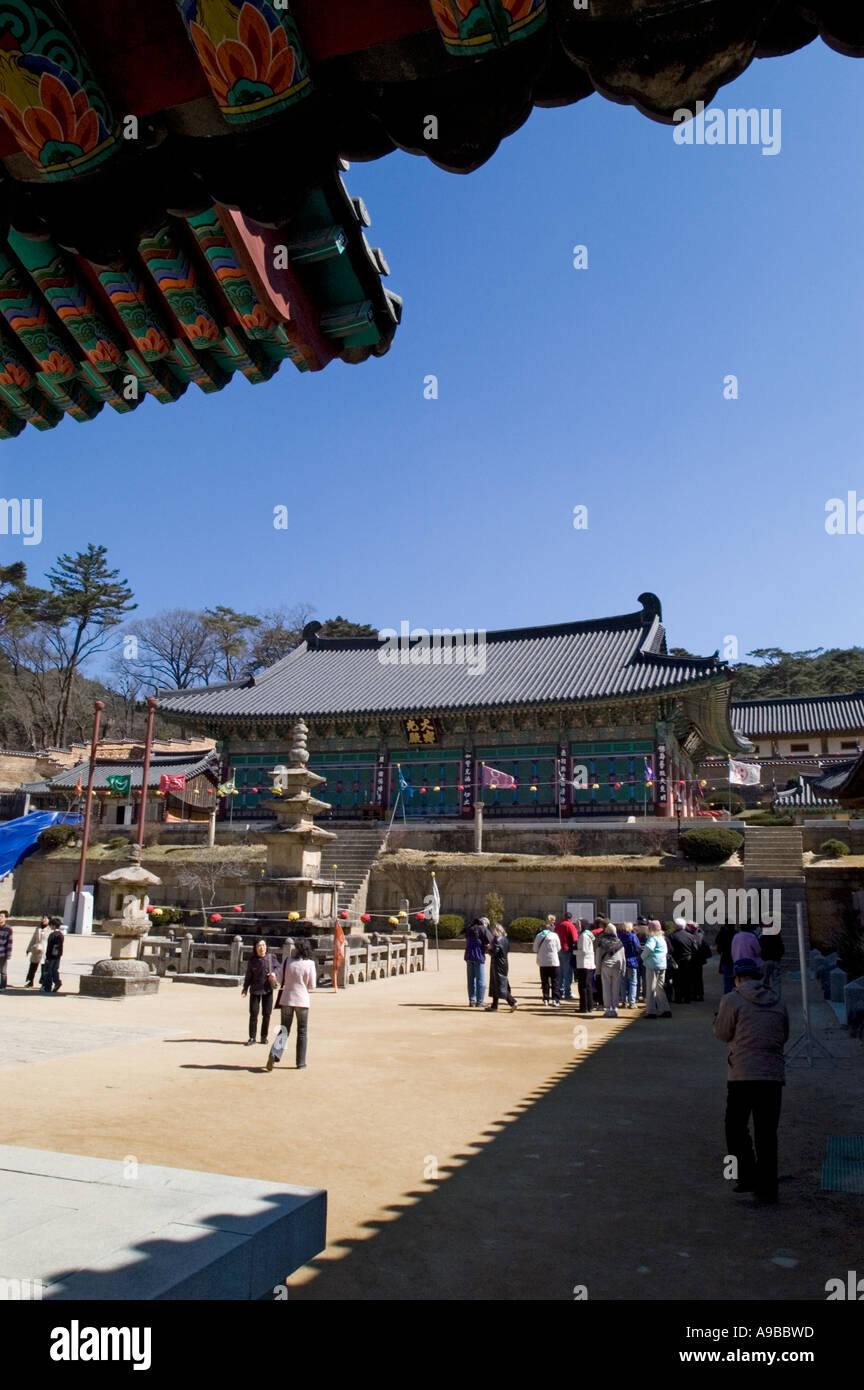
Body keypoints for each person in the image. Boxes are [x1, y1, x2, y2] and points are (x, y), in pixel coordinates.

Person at [713, 956, 789, 1204]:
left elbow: (722, 1033)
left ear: (738, 978)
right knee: (767, 1132)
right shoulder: (778, 1001)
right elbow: (784, 1034)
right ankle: (768, 1189)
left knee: (734, 1128)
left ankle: (744, 1175)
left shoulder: (732, 999)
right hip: (772, 1073)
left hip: (743, 1073)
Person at [267, 940, 317, 1071]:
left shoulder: (287, 961)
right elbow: (312, 985)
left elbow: (278, 977)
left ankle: (275, 1053)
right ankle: (300, 1063)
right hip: (302, 1001)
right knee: (302, 1032)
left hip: (287, 1000)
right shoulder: (310, 964)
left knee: (284, 1029)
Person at [241, 939, 279, 1045]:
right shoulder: (252, 960)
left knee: (267, 1014)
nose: (261, 948)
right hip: (255, 990)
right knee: (253, 1014)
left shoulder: (272, 958)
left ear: (266, 947)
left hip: (268, 989)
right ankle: (252, 1037)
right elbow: (248, 976)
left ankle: (263, 1036)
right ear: (255, 948)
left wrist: (274, 974)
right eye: (259, 946)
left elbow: (278, 968)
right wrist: (245, 989)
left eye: (263, 945)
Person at [596, 922, 626, 1018]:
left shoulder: (602, 942)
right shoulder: (619, 942)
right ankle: (615, 1007)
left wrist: (598, 970)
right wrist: (623, 969)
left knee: (606, 988)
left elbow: (598, 957)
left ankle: (608, 1008)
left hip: (605, 967)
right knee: (616, 988)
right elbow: (623, 957)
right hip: (617, 967)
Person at [641, 920, 671, 1018]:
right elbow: (666, 951)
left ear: (651, 929)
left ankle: (651, 1011)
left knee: (651, 988)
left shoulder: (652, 938)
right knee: (660, 988)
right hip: (662, 965)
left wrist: (642, 956)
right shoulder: (662, 938)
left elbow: (649, 948)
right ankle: (665, 1009)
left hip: (652, 965)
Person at [485, 925, 518, 1012]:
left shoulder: (496, 939)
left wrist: (489, 949)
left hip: (497, 964)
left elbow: (494, 953)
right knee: (496, 983)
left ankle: (512, 1002)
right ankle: (494, 1005)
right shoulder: (505, 939)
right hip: (504, 963)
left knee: (500, 985)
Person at [464, 917, 494, 1007]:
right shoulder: (483, 928)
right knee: (481, 980)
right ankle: (480, 1001)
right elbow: (492, 941)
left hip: (468, 956)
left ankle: (472, 1001)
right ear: (485, 923)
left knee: (470, 980)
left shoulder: (470, 928)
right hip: (478, 956)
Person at [533, 918, 561, 1006]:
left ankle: (545, 999)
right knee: (555, 981)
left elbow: (535, 948)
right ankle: (555, 999)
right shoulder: (555, 935)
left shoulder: (539, 936)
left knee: (545, 981)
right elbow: (559, 948)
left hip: (543, 961)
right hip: (554, 961)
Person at [669, 917, 696, 1003]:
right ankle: (687, 998)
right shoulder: (691, 936)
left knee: (677, 980)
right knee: (687, 979)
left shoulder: (672, 936)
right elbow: (695, 948)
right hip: (688, 960)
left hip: (676, 960)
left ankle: (678, 998)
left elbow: (670, 949)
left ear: (676, 926)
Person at [554, 913, 578, 1001]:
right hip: (567, 950)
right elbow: (575, 939)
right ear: (570, 918)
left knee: (560, 972)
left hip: (558, 950)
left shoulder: (558, 925)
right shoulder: (571, 925)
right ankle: (567, 992)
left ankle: (560, 991)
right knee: (568, 973)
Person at [617, 921, 641, 1008]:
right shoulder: (633, 936)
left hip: (622, 961)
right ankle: (632, 1002)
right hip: (632, 961)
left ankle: (624, 1001)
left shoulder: (619, 936)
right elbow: (638, 948)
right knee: (633, 982)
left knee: (623, 982)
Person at [574, 920, 596, 1014]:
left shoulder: (583, 936)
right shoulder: (587, 935)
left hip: (584, 964)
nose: (576, 926)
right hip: (588, 963)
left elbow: (584, 951)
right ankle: (589, 1006)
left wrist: (574, 952)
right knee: (588, 986)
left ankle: (584, 1007)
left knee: (583, 986)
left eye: (578, 924)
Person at [687, 920, 709, 1000]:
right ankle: (700, 995)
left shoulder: (692, 936)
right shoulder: (701, 934)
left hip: (693, 960)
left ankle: (694, 994)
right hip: (699, 961)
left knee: (692, 978)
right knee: (699, 978)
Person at [41, 917, 64, 993]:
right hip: (57, 956)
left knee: (48, 971)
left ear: (53, 925)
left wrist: (48, 956)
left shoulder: (52, 935)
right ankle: (57, 981)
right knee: (55, 970)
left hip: (51, 956)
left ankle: (47, 987)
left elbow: (51, 947)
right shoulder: (61, 935)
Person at [26, 916, 49, 987]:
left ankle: (43, 982)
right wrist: (28, 949)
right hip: (36, 950)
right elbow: (33, 939)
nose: (44, 920)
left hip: (44, 951)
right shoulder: (38, 928)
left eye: (46, 918)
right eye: (43, 918)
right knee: (32, 966)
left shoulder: (50, 929)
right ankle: (30, 981)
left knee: (44, 967)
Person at [760, 929, 785, 994]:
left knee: (765, 980)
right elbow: (782, 949)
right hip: (776, 960)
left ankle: (765, 997)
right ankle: (776, 997)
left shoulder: (763, 937)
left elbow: (760, 949)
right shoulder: (777, 937)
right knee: (776, 981)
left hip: (766, 961)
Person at [715, 922, 737, 994]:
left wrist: (722, 931)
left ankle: (727, 996)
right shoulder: (736, 933)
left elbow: (717, 941)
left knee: (727, 979)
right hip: (735, 958)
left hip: (725, 958)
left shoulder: (723, 933)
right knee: (735, 979)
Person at [0, 910, 11, 989]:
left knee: (3, 971)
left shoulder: (8, 929)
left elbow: (9, 942)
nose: (0, 918)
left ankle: (3, 986)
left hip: (3, 953)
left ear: (6, 918)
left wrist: (8, 954)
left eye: (2, 917)